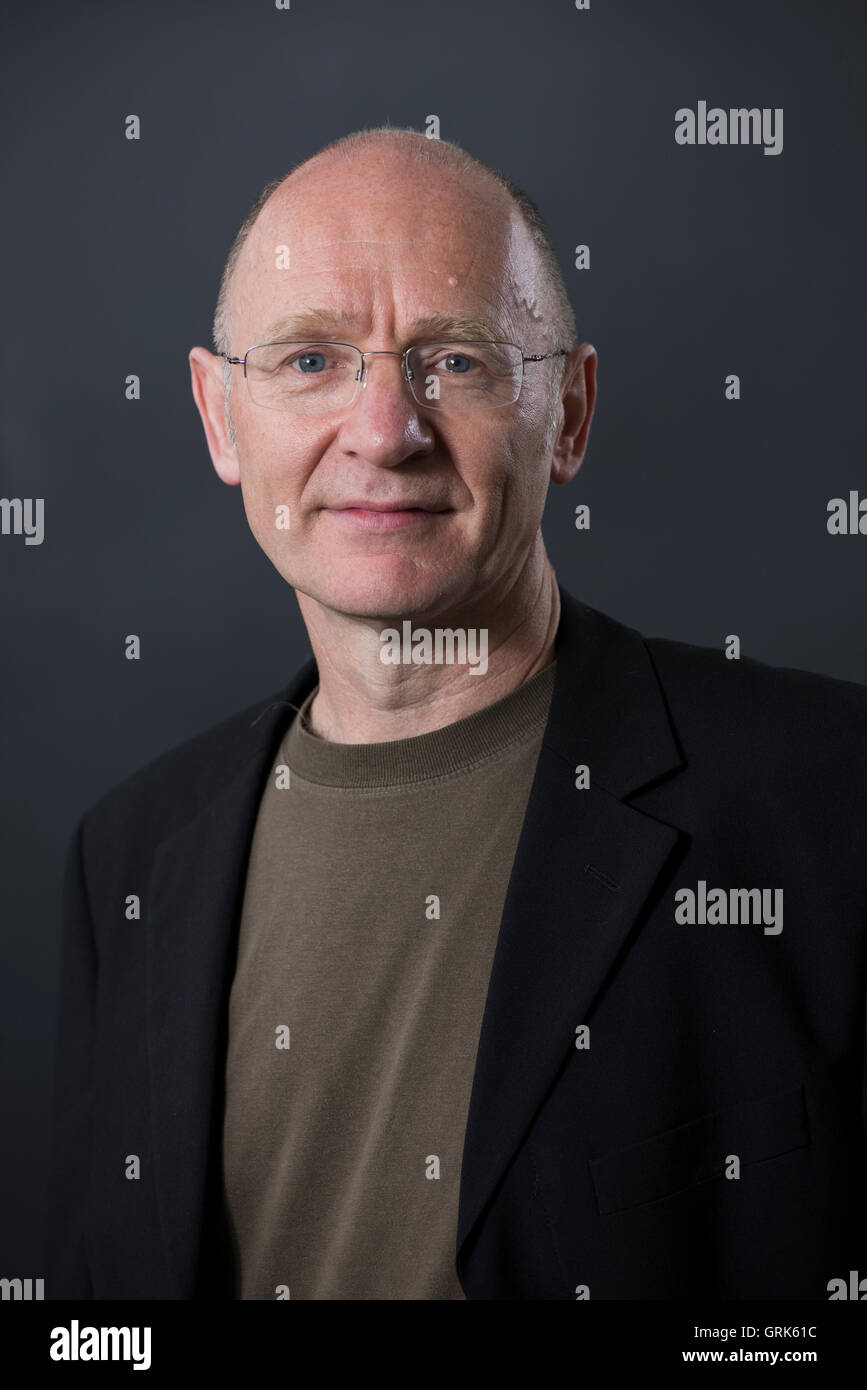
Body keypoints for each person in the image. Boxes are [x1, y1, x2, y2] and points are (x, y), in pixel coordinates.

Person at [46, 126, 867, 1301]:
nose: (386, 431)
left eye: (458, 362)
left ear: (570, 414)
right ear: (220, 417)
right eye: (310, 362)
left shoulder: (833, 803)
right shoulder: (125, 863)